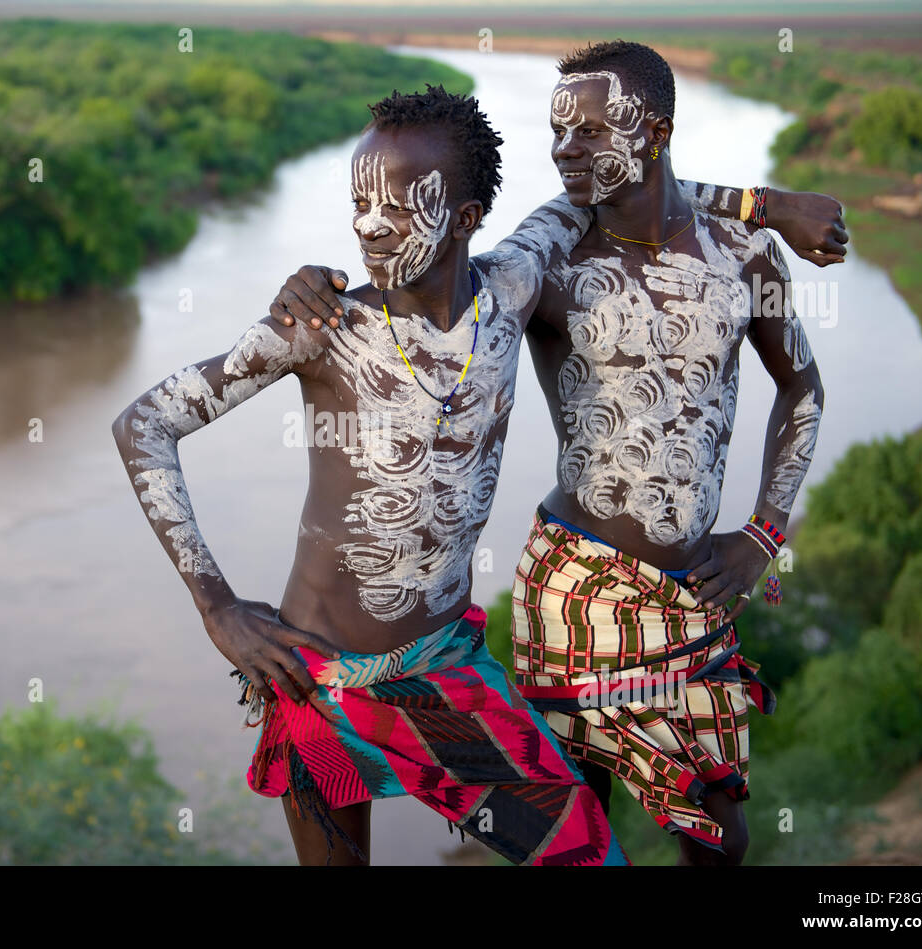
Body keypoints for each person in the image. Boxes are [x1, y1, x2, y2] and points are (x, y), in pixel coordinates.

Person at [271, 41, 839, 865]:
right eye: (555, 133)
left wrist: (763, 536)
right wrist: (311, 295)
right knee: (580, 838)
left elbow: (804, 390)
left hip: (700, 595)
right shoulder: (547, 261)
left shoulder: (747, 255)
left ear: (655, 130)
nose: (564, 150)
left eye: (588, 132)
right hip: (575, 588)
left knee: (720, 835)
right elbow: (432, 280)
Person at [115, 87, 630, 866]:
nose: (369, 226)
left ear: (465, 217)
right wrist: (216, 608)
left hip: (449, 673)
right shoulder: (320, 329)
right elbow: (145, 425)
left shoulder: (514, 288)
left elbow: (599, 187)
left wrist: (766, 205)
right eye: (359, 201)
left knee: (582, 852)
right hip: (319, 685)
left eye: (398, 205)